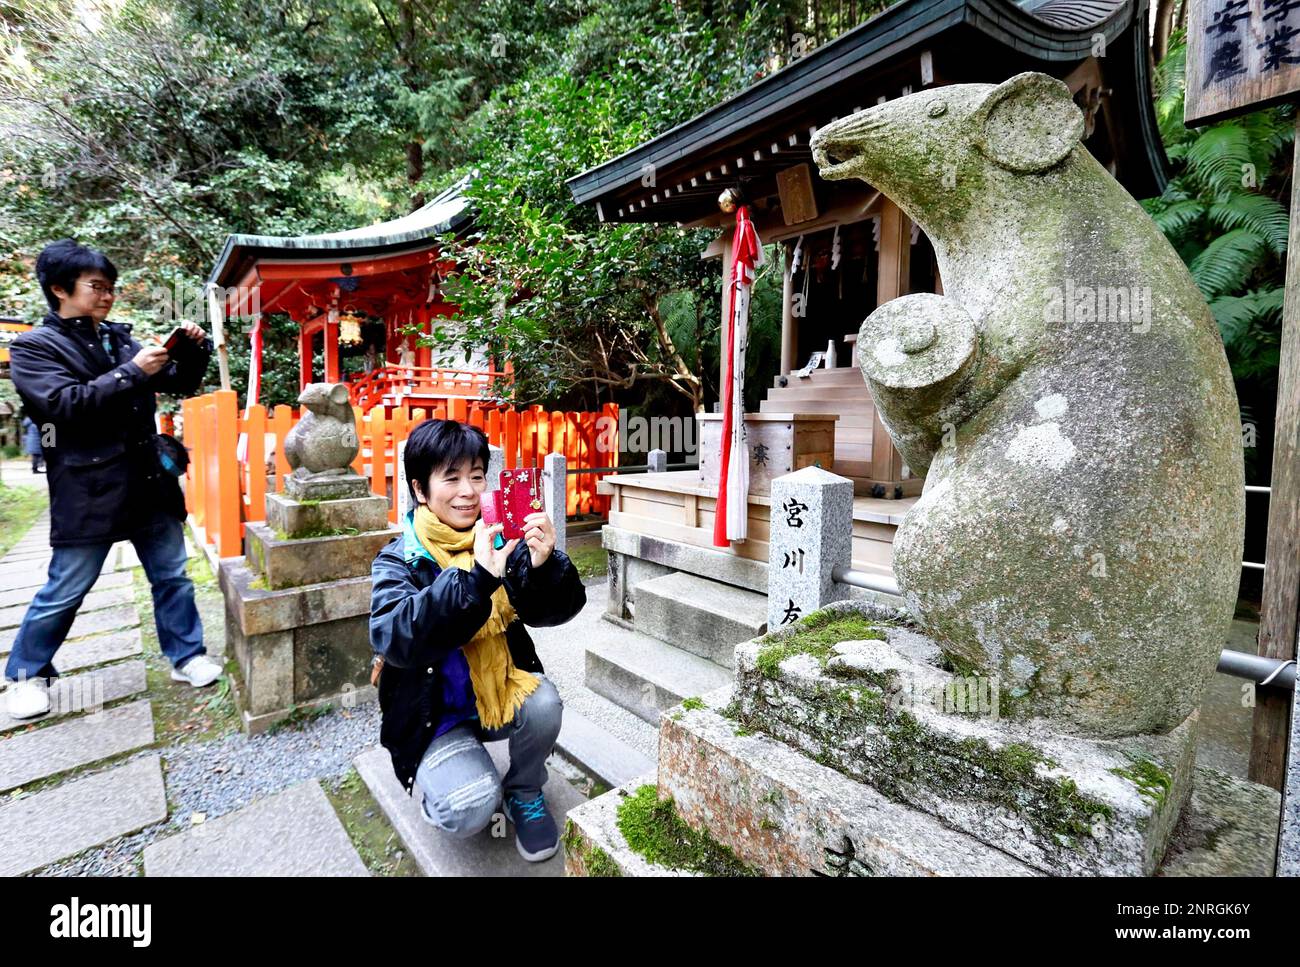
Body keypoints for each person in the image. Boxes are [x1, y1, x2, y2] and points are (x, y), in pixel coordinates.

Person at [4, 239, 223, 719]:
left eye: (111, 288)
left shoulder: (120, 338)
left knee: (172, 576)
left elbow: (179, 384)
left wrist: (193, 351)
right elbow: (62, 406)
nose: (107, 296)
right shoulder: (33, 347)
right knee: (66, 586)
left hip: (148, 480)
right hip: (88, 487)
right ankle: (24, 675)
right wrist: (130, 373)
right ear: (60, 289)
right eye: (96, 287)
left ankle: (186, 656)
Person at [369, 419, 586, 862]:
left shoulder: (504, 542)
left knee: (544, 702)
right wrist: (476, 582)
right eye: (450, 477)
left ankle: (524, 790)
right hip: (436, 716)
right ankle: (449, 777)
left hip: (500, 695)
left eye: (477, 475)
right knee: (469, 803)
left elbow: (557, 611)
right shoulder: (400, 558)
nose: (468, 491)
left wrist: (545, 567)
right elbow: (395, 635)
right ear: (420, 490)